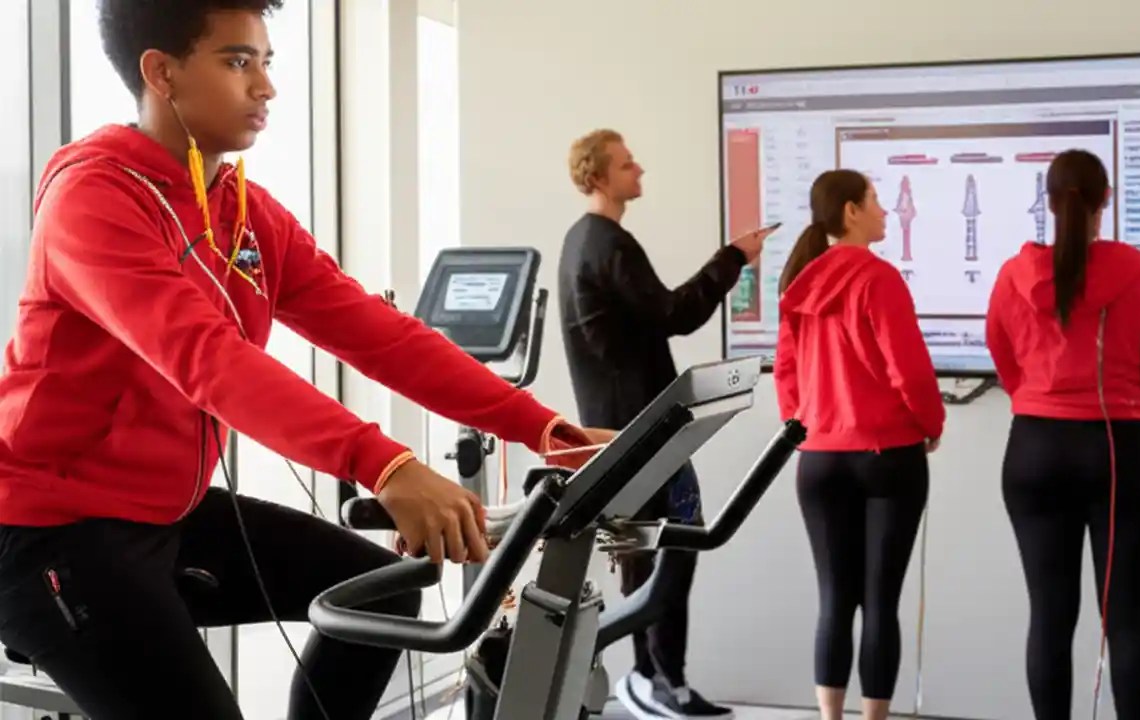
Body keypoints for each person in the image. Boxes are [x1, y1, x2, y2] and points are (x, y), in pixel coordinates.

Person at [0, 2, 607, 719]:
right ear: (161, 72)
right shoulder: (93, 200)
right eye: (236, 61)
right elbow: (208, 359)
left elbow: (377, 332)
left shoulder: (246, 212)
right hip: (52, 536)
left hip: (168, 512)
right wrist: (383, 463)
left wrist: (543, 430)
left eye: (266, 62)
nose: (265, 87)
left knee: (381, 586)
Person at [558, 129, 775, 719]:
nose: (640, 171)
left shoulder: (583, 241)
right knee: (670, 546)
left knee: (647, 554)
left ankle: (658, 680)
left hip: (622, 431)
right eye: (628, 165)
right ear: (600, 176)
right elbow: (673, 313)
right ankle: (655, 682)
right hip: (643, 433)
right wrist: (734, 257)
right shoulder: (606, 243)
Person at [985, 149, 1140, 720]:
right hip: (1122, 449)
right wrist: (1136, 415)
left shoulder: (1013, 276)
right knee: (1126, 620)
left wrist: (1041, 401)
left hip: (1034, 450)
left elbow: (1004, 358)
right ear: (1106, 202)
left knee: (1048, 617)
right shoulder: (1139, 272)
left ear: (1048, 203)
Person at [773, 169, 945, 720]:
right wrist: (930, 423)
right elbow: (909, 370)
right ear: (850, 212)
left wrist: (806, 427)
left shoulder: (799, 282)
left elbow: (785, 373)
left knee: (833, 601)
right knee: (879, 604)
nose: (885, 211)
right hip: (887, 457)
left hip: (818, 461)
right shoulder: (879, 279)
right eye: (875, 201)